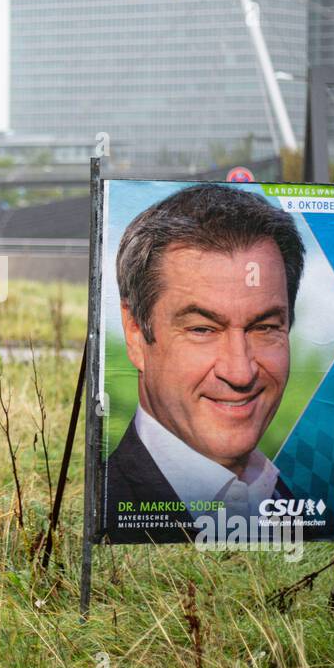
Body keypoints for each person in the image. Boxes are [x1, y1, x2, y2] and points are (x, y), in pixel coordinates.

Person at [105, 184, 305, 542]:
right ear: (135, 332)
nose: (240, 372)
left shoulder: (297, 503)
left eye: (265, 328)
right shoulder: (108, 512)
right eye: (202, 329)